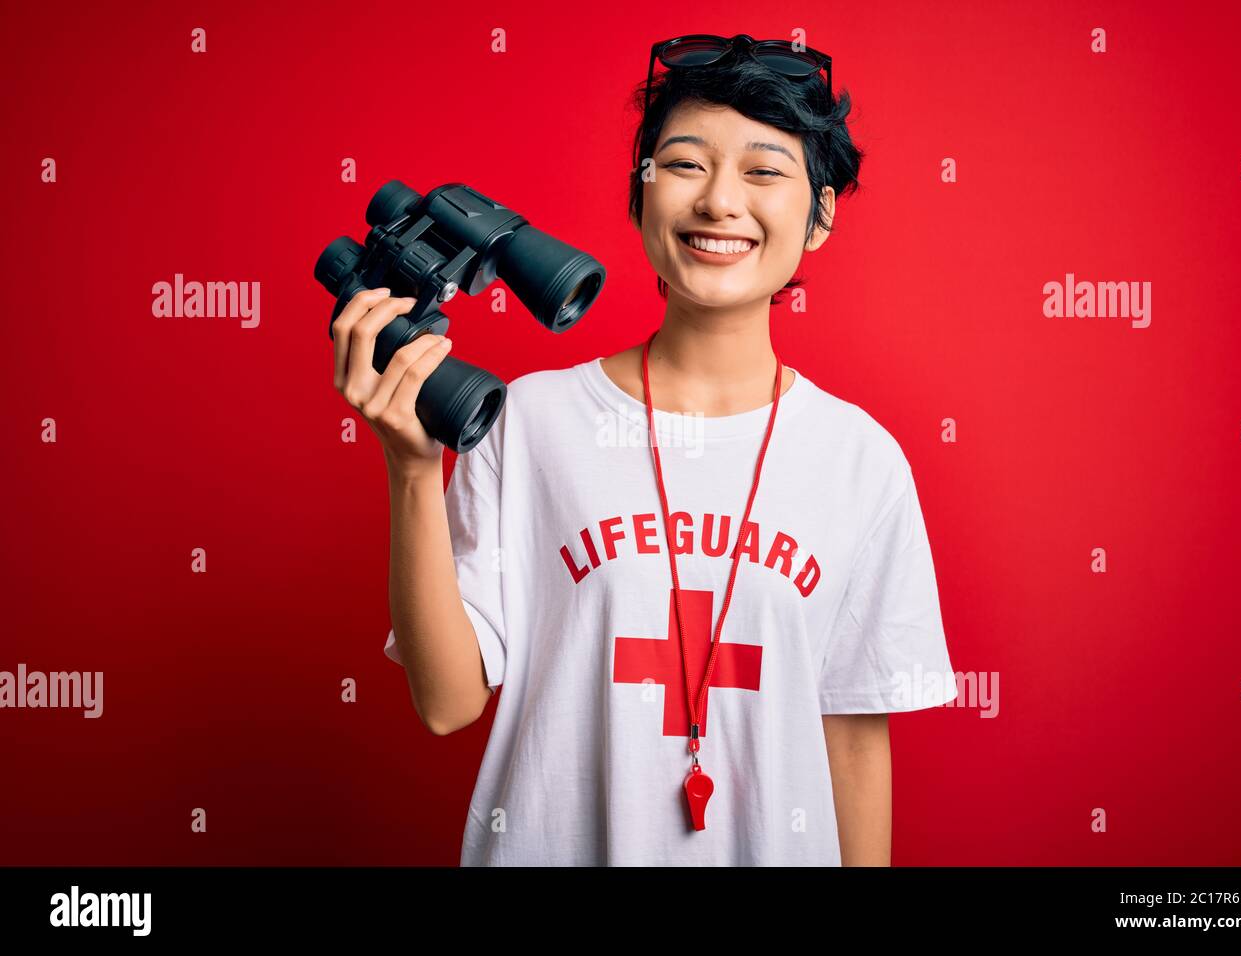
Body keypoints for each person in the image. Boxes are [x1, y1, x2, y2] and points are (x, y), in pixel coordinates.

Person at [332, 34, 958, 866]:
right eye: (686, 165)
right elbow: (447, 702)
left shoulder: (860, 462)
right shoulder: (529, 420)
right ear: (642, 195)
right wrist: (411, 469)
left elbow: (850, 739)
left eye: (764, 172)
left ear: (821, 215)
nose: (720, 202)